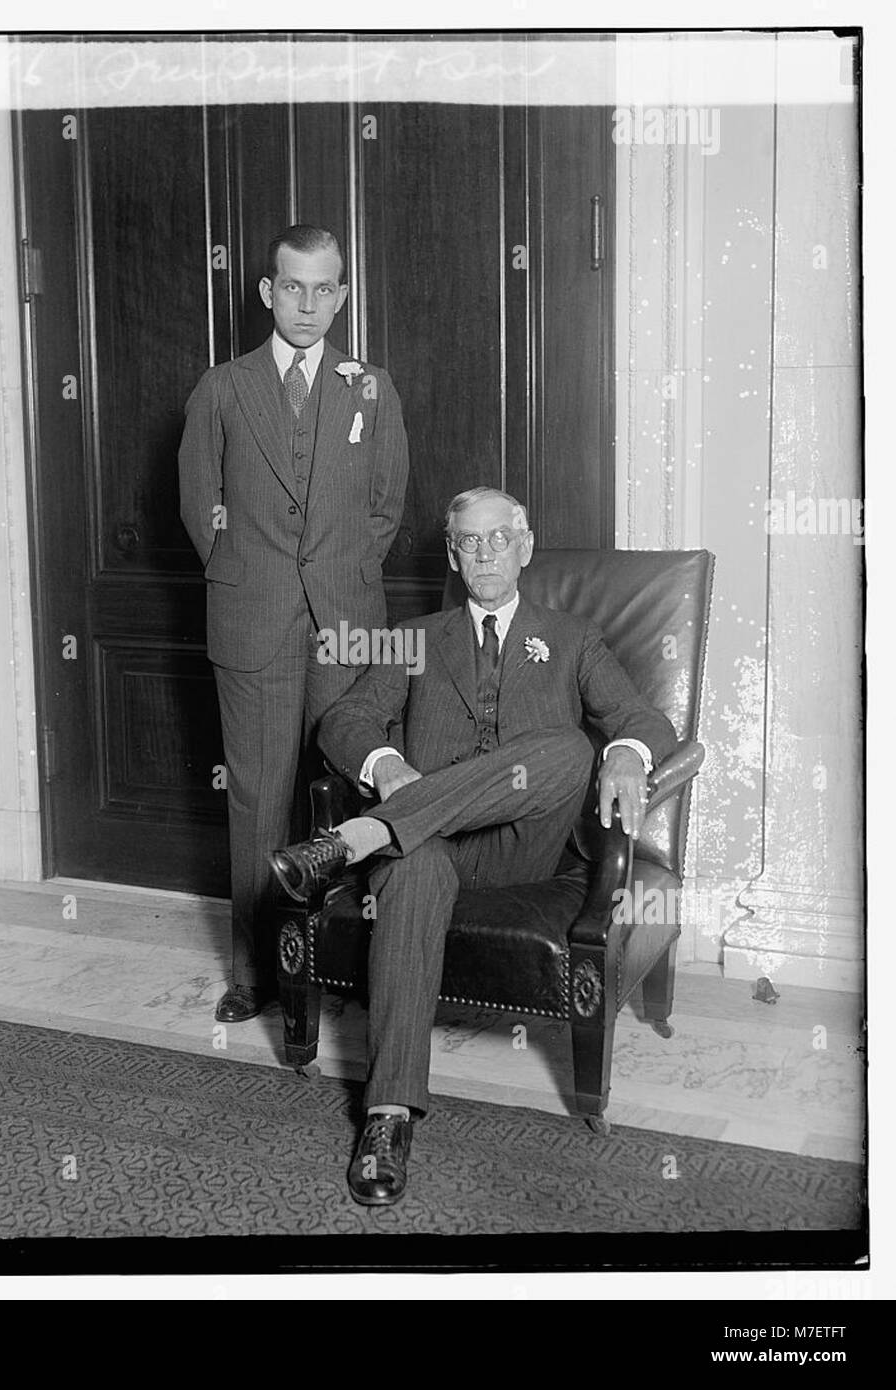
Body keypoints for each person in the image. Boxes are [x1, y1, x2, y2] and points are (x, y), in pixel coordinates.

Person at [270, 486, 677, 1205]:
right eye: (468, 542)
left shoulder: (573, 637)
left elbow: (640, 717)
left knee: (563, 749)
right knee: (412, 868)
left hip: (524, 845)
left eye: (498, 539)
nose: (484, 552)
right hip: (434, 846)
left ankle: (357, 838)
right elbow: (344, 720)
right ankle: (388, 1116)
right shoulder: (414, 636)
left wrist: (625, 754)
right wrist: (383, 764)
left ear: (523, 547)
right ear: (452, 556)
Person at [179, 225, 409, 1023]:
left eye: (324, 289)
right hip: (253, 620)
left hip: (346, 621)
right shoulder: (222, 387)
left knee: (347, 789)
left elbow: (385, 509)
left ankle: (341, 961)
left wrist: (337, 572)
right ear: (266, 291)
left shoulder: (370, 388)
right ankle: (254, 972)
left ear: (340, 295)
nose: (307, 304)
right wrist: (249, 572)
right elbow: (199, 510)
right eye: (292, 287)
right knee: (259, 797)